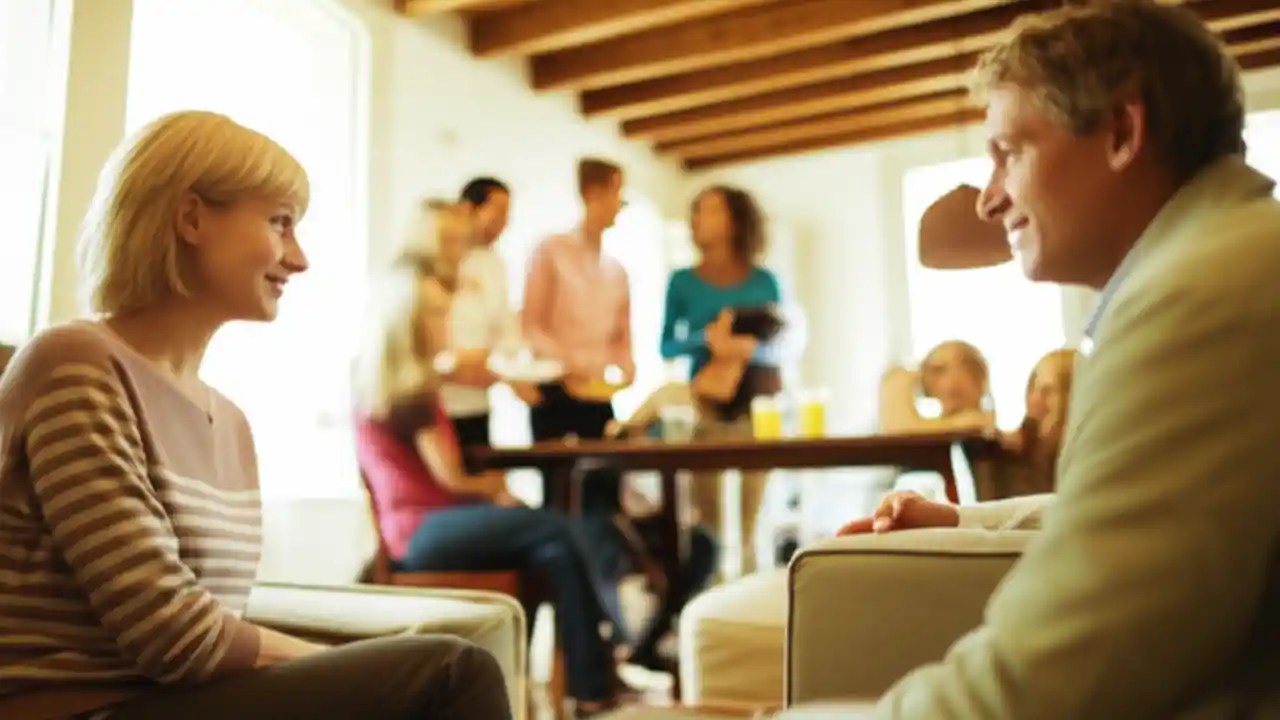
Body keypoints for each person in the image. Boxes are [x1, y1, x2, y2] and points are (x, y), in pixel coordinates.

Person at [834, 1, 1280, 716]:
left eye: (1008, 153)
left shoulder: (1198, 295)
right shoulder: (1231, 256)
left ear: (1122, 131)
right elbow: (1138, 517)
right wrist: (965, 522)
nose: (988, 202)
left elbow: (1051, 681)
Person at [0, 111, 509, 720]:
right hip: (80, 709)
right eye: (280, 223)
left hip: (180, 702)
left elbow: (214, 627)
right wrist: (351, 667)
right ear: (191, 218)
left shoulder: (232, 424)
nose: (300, 258)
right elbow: (173, 635)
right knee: (451, 671)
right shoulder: (76, 364)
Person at [354, 231, 626, 716]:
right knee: (556, 527)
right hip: (422, 532)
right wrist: (495, 489)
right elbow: (452, 478)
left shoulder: (389, 382)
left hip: (424, 528)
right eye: (437, 314)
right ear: (410, 322)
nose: (446, 323)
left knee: (555, 550)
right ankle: (603, 665)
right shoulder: (412, 390)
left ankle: (588, 686)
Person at [660, 185, 782, 576]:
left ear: (735, 220)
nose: (698, 218)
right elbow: (666, 346)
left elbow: (781, 345)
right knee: (708, 510)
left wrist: (747, 349)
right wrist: (707, 340)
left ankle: (752, 581)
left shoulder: (765, 281)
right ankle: (711, 585)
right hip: (706, 402)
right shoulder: (682, 281)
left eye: (710, 210)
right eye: (696, 211)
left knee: (753, 508)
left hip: (756, 402)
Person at [522, 158, 633, 454]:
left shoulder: (617, 271)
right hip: (553, 393)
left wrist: (626, 365)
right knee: (557, 475)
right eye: (616, 192)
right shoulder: (550, 251)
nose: (620, 204)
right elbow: (530, 326)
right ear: (592, 193)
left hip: (597, 395)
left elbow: (621, 338)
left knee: (606, 474)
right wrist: (569, 364)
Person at [445, 178, 537, 466]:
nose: (503, 224)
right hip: (441, 401)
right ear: (467, 209)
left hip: (477, 401)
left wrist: (515, 369)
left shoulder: (495, 264)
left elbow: (505, 329)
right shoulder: (441, 263)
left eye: (507, 216)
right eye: (497, 213)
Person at [878, 340, 995, 434]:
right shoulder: (948, 426)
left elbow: (901, 431)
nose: (955, 377)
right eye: (938, 370)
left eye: (937, 370)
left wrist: (900, 379)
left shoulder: (975, 424)